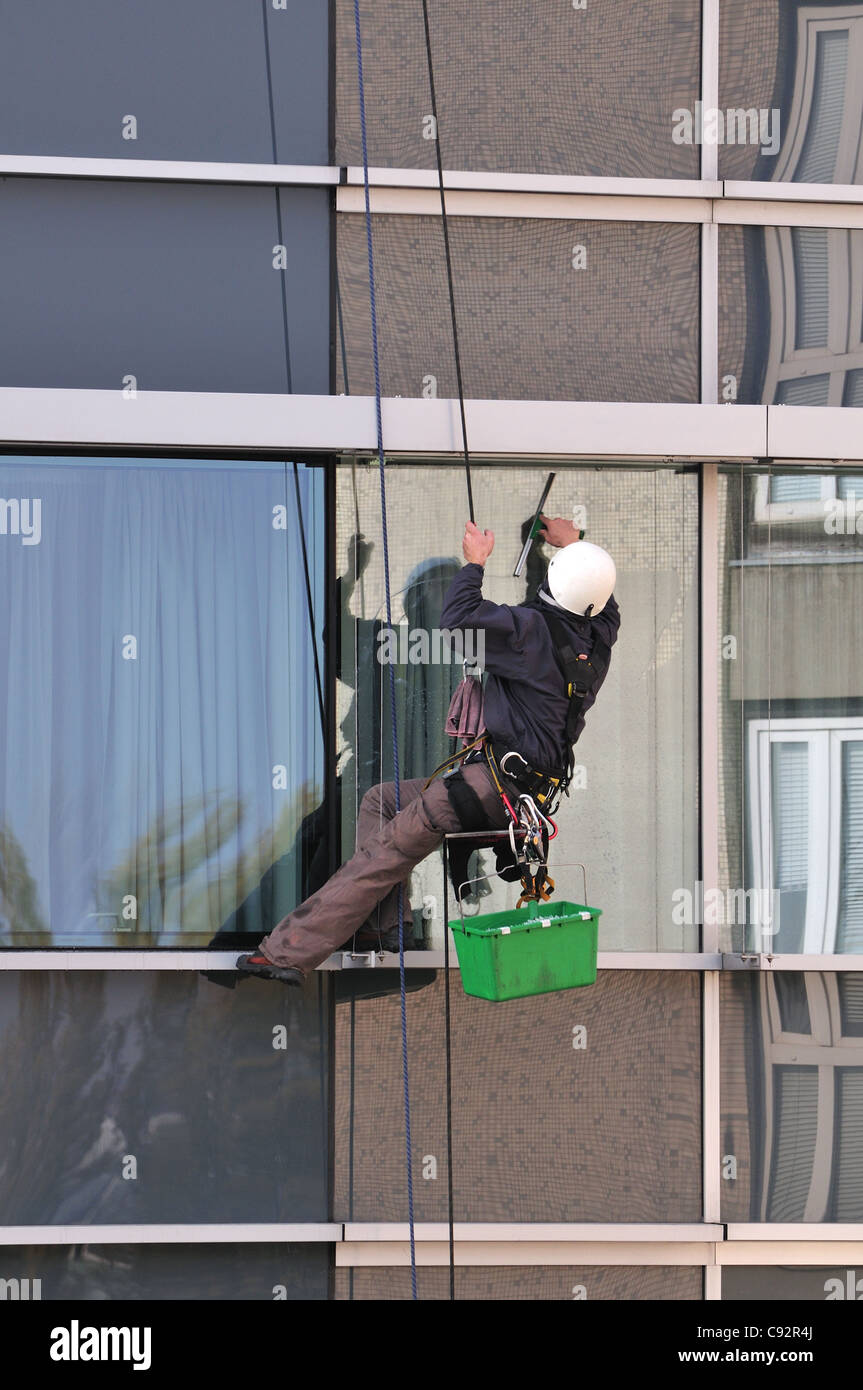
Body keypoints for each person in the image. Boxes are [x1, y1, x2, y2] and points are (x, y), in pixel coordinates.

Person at [236, 514, 621, 985]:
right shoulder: (597, 640)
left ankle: (286, 954)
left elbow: (458, 620)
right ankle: (386, 927)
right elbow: (600, 600)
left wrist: (475, 563)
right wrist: (575, 545)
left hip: (483, 790)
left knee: (378, 859)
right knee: (381, 800)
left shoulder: (527, 634)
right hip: (517, 794)